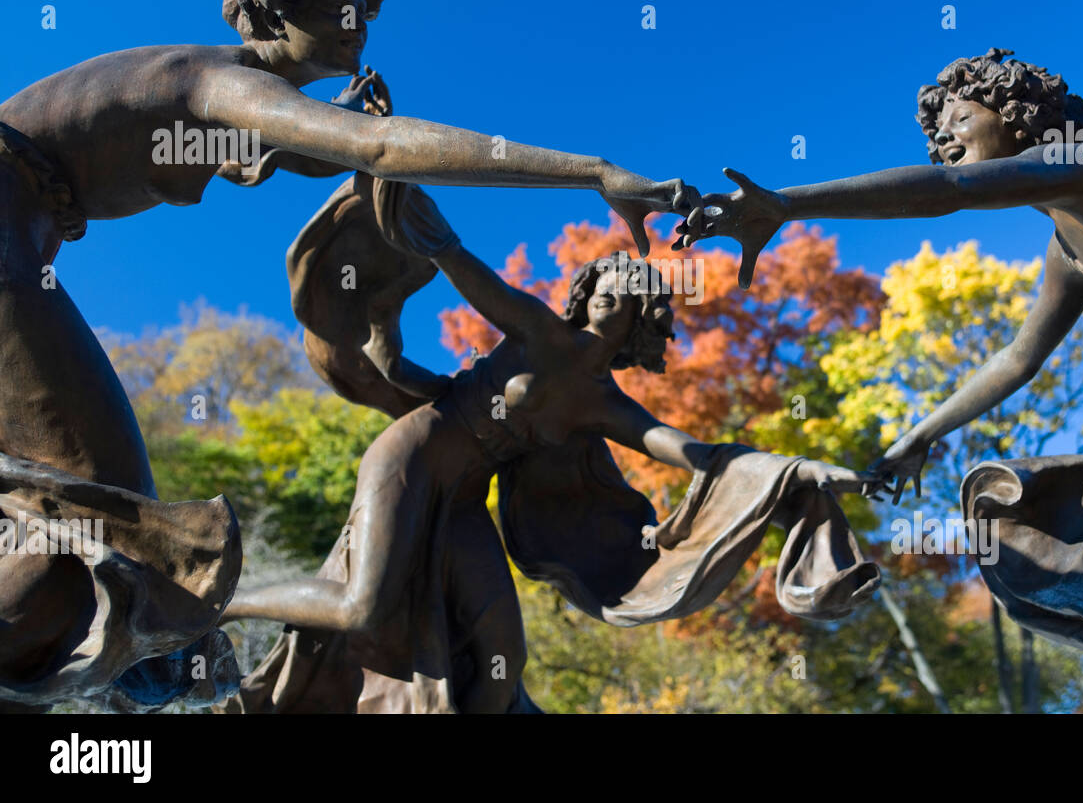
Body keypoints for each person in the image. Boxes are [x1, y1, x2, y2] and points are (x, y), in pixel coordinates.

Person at [0, 0, 694, 707]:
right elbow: (384, 150)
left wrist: (355, 140)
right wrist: (594, 172)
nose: (359, 30)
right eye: (343, 9)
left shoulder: (226, 92)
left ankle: (144, 654)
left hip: (16, 242)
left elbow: (324, 147)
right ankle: (148, 653)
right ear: (281, 10)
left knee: (86, 533)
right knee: (108, 532)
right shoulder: (222, 83)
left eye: (368, 12)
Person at [681, 48, 1083, 712]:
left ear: (1022, 116)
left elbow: (943, 195)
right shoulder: (1069, 249)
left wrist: (784, 204)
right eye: (934, 132)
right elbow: (1017, 358)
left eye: (959, 117)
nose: (942, 138)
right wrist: (921, 434)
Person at [218, 180, 880, 712]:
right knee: (362, 606)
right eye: (603, 285)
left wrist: (797, 468)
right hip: (410, 458)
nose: (607, 295)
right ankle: (216, 600)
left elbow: (696, 453)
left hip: (462, 502)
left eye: (625, 295)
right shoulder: (538, 329)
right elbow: (468, 271)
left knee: (503, 656)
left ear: (638, 322)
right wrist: (407, 195)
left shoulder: (604, 405)